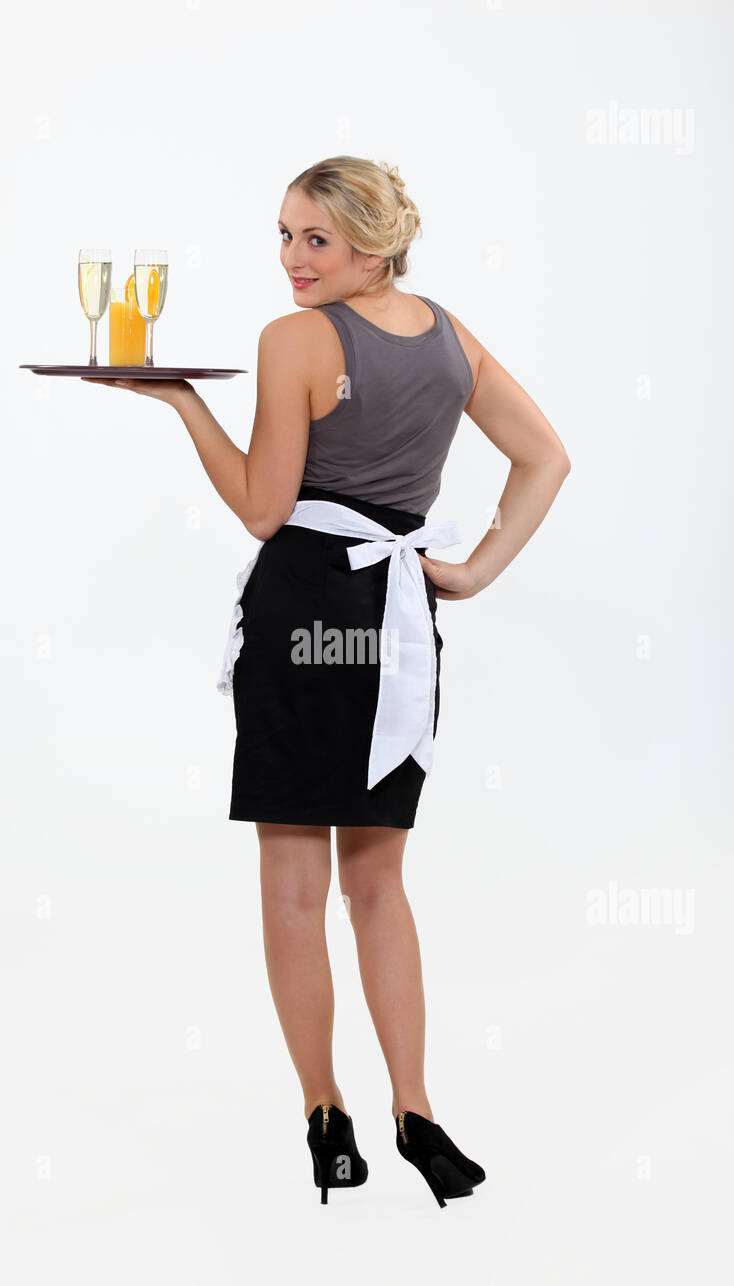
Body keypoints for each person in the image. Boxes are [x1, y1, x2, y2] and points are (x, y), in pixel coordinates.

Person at [83, 155, 571, 1209]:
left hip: (309, 613)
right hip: (397, 627)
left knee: (296, 891)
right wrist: (473, 573)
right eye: (284, 235)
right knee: (380, 884)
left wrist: (178, 405)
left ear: (372, 244)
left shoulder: (296, 341)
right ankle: (419, 1113)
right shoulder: (447, 336)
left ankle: (325, 1118)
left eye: (314, 239)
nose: (290, 260)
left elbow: (264, 509)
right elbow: (546, 459)